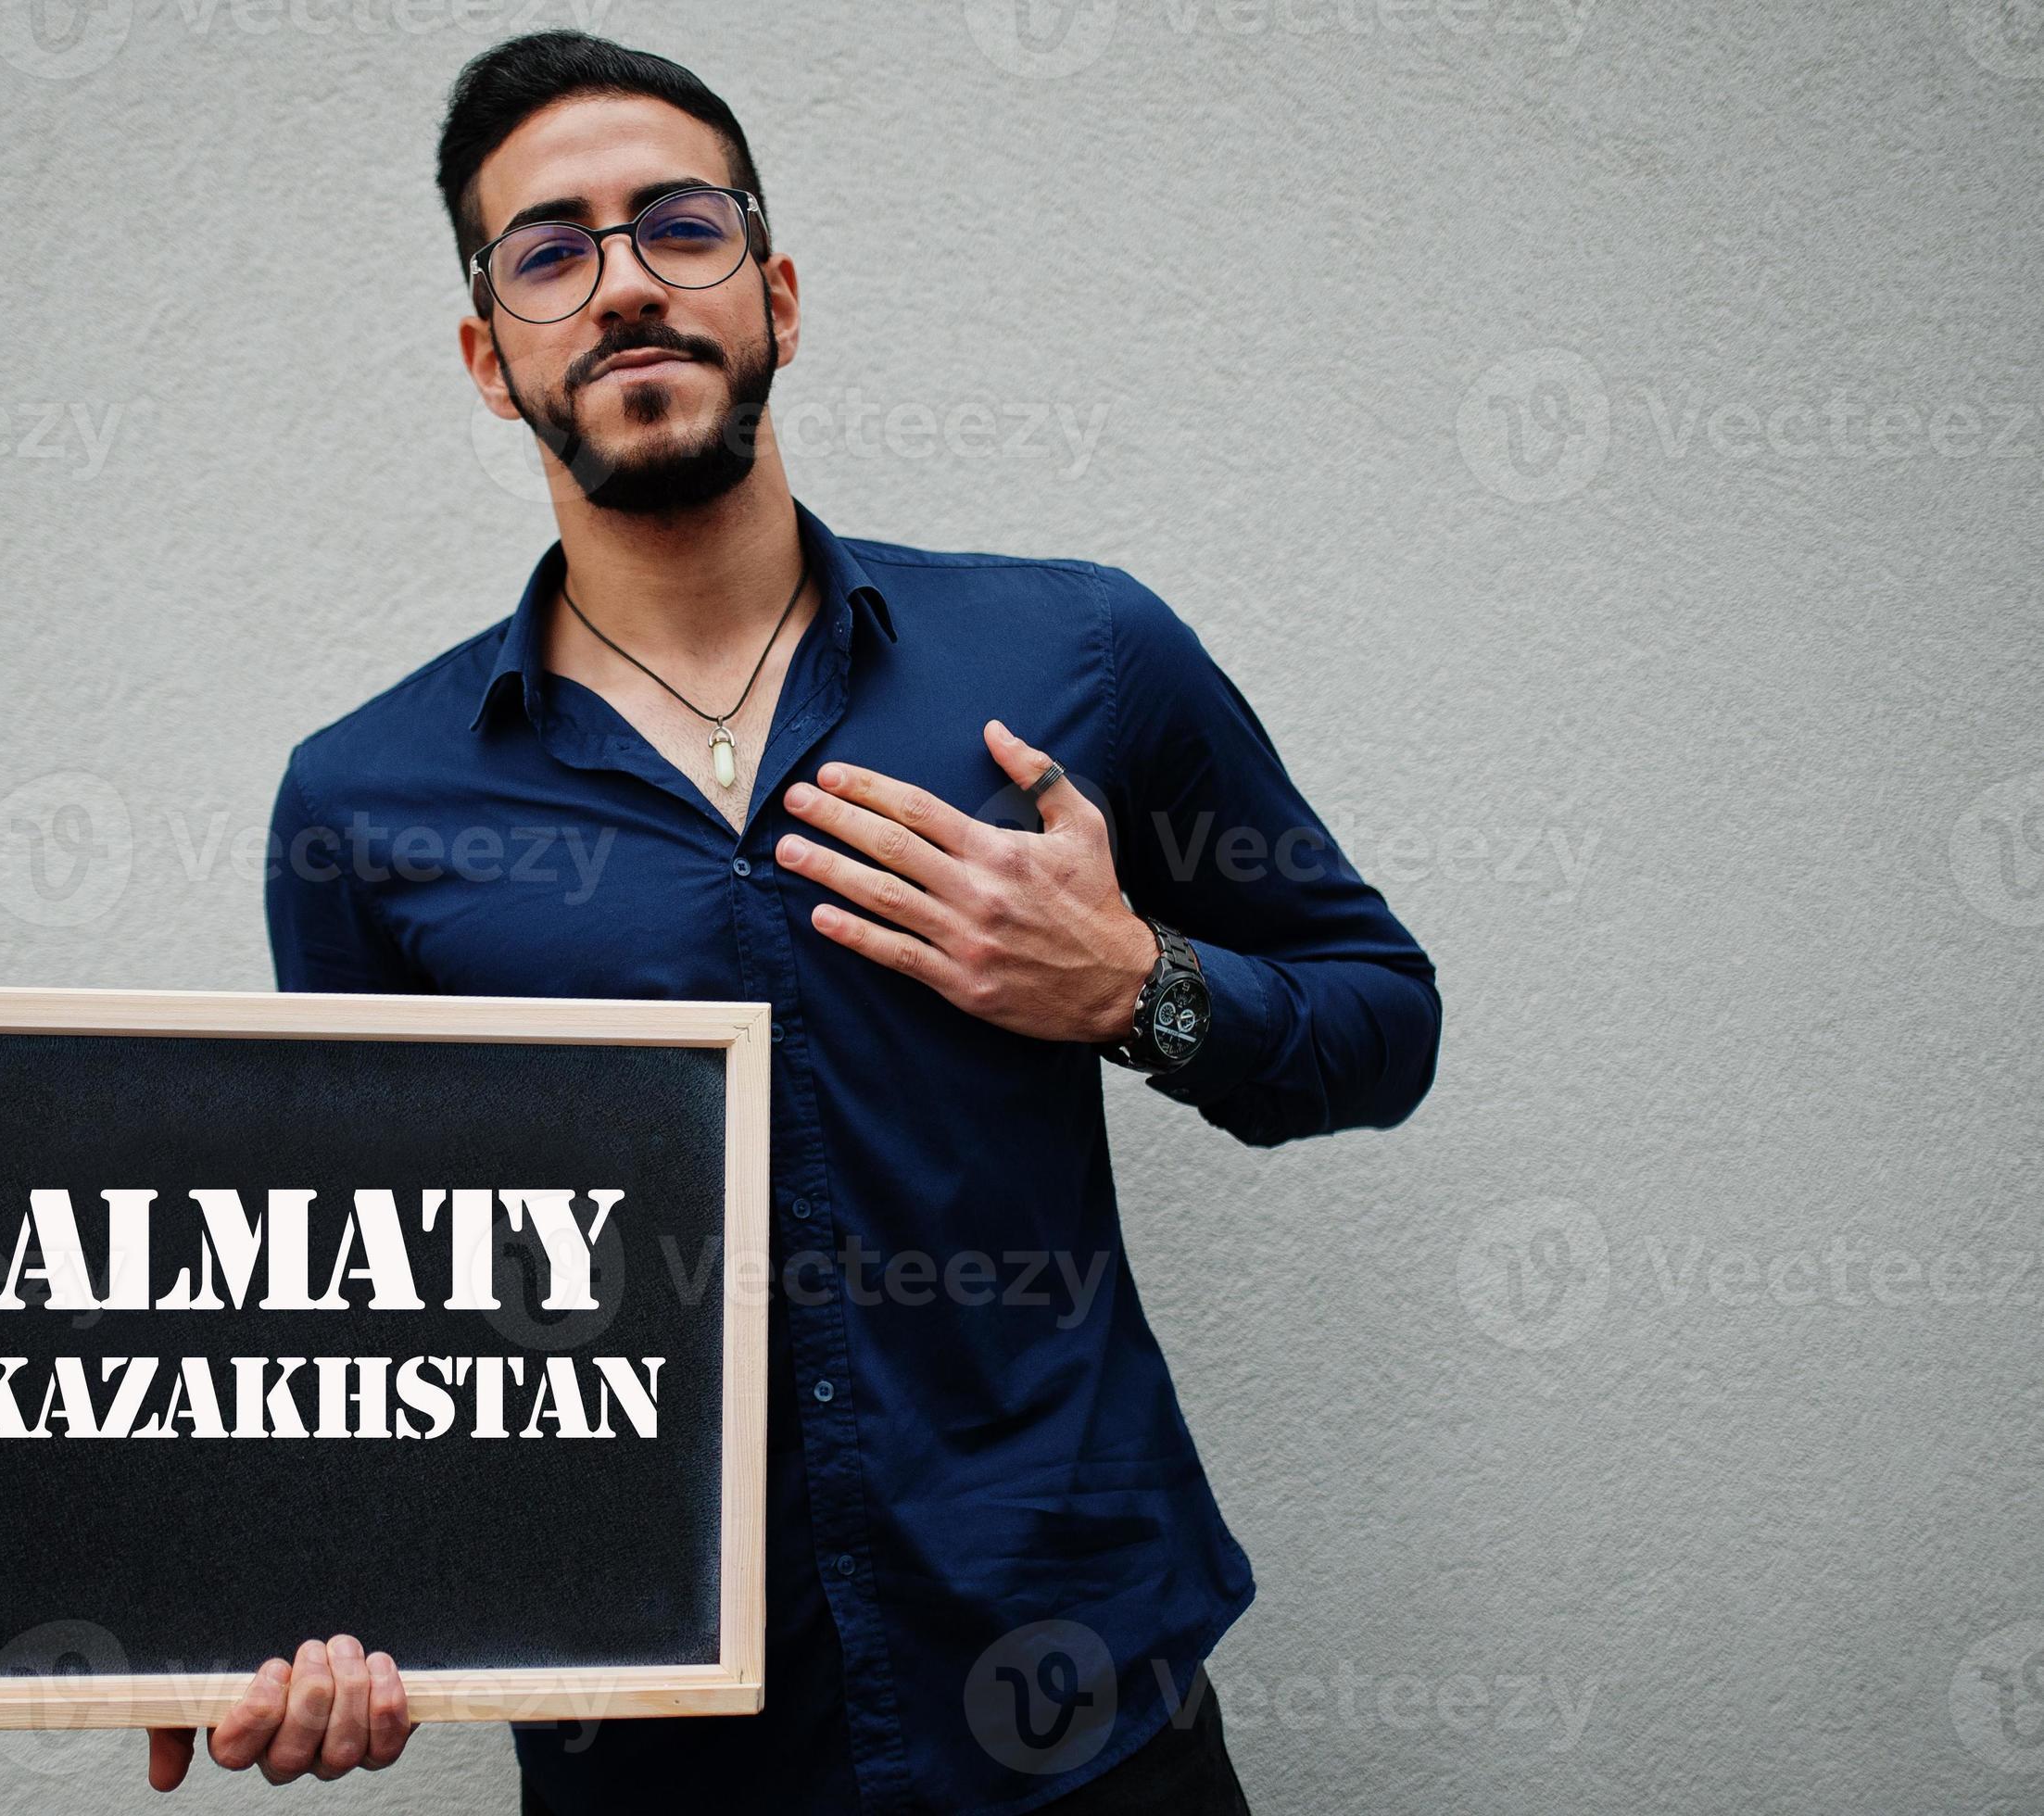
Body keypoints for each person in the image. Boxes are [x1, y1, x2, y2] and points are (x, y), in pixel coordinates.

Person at [148, 29, 1440, 1813]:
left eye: (678, 226)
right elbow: (367, 1319)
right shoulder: (364, 806)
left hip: (1082, 1729)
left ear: (775, 296)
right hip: (654, 1757)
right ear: (488, 357)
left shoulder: (1079, 652)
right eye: (548, 252)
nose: (623, 284)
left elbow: (1383, 1027)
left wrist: (1130, 987)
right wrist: (312, 1617)